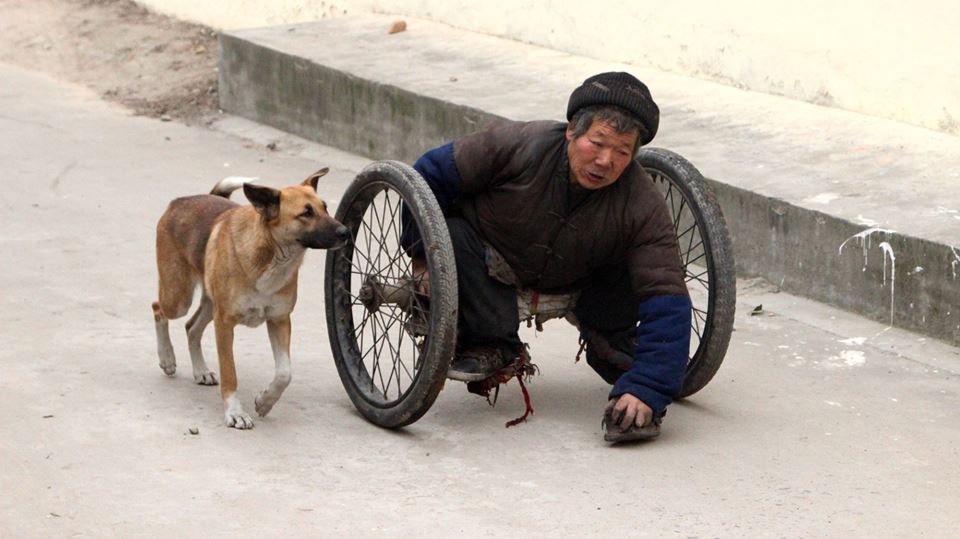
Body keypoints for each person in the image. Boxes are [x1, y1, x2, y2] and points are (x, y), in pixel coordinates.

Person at [407, 72, 691, 442]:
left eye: (622, 151)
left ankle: (611, 342)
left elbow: (666, 292)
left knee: (637, 268)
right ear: (572, 130)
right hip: (487, 259)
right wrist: (422, 255)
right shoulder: (517, 144)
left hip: (582, 275)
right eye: (597, 142)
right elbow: (425, 178)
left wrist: (648, 388)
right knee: (452, 233)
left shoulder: (641, 200)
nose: (605, 161)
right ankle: (490, 341)